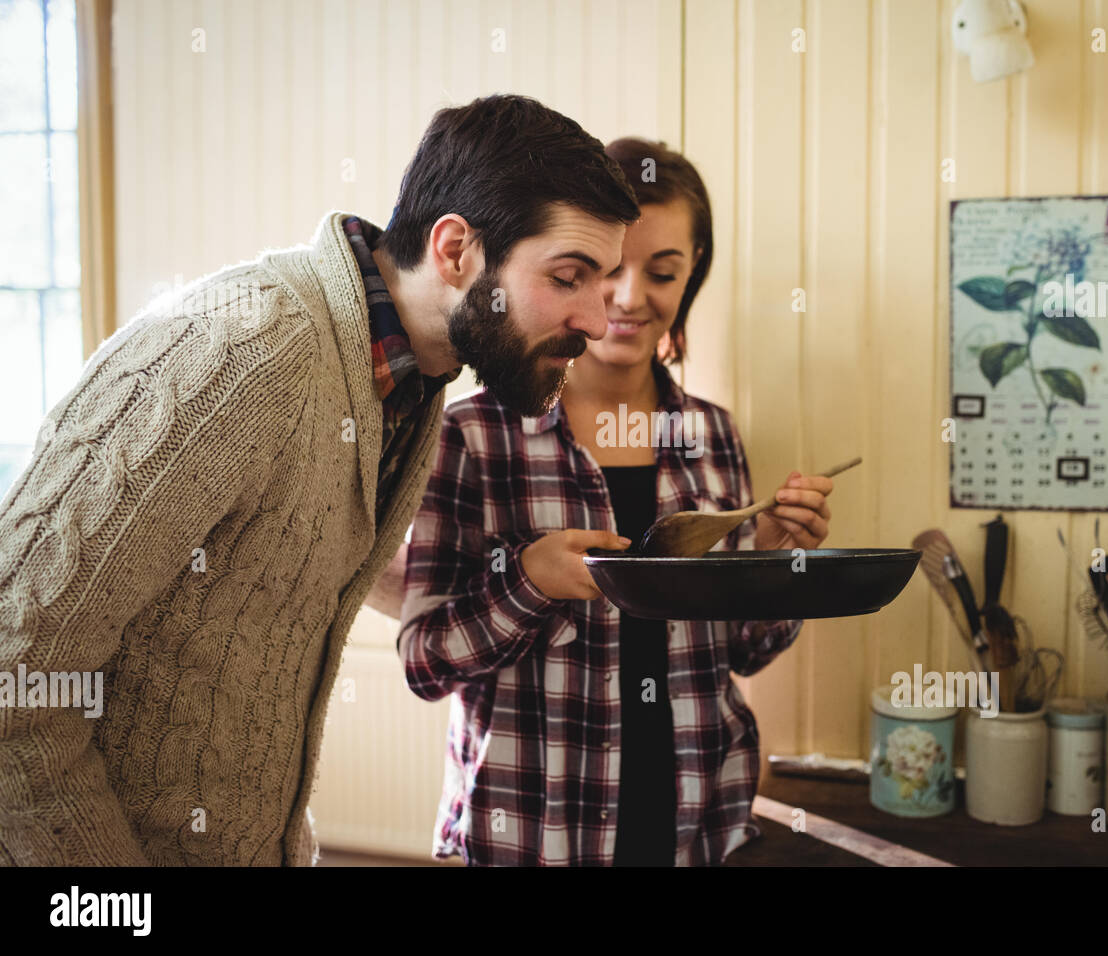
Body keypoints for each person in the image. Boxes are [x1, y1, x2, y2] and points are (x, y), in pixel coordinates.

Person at [0, 94, 638, 866]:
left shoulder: (409, 382)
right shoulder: (241, 351)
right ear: (456, 251)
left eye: (604, 282)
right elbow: (15, 672)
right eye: (570, 277)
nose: (600, 321)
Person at [397, 138, 837, 866]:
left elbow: (746, 654)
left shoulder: (711, 434)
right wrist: (528, 582)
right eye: (606, 270)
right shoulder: (474, 435)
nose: (630, 298)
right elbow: (423, 662)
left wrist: (777, 561)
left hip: (695, 825)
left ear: (691, 277)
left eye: (663, 272)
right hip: (531, 830)